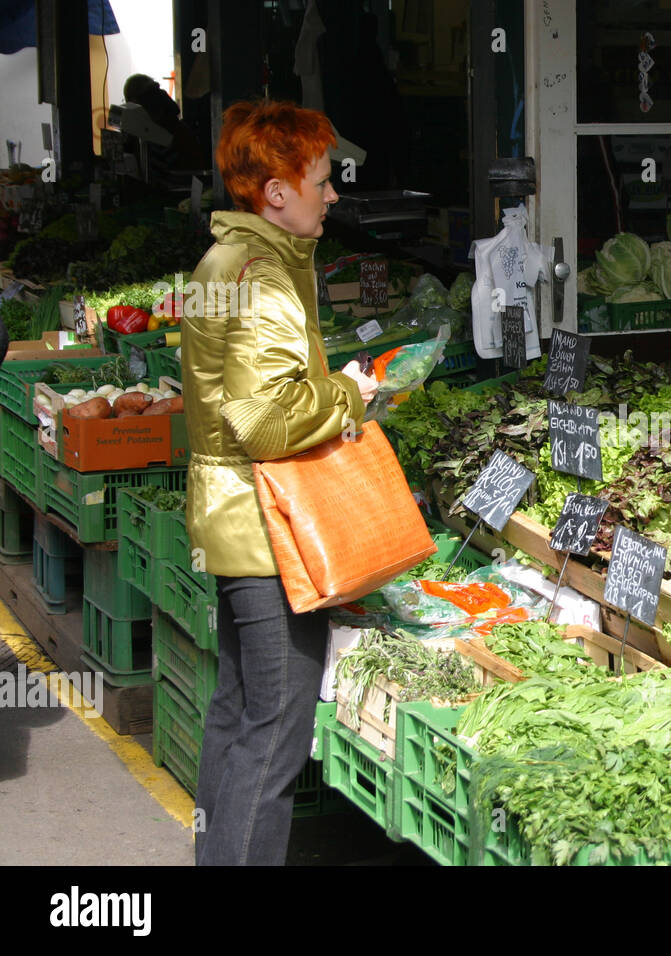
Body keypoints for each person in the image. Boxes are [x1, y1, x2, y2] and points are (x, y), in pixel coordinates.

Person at [184, 100, 378, 866]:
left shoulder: (219, 263)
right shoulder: (260, 278)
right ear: (274, 192)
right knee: (274, 737)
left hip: (230, 518)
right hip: (268, 532)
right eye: (321, 181)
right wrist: (351, 396)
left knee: (237, 715)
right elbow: (264, 422)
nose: (332, 196)